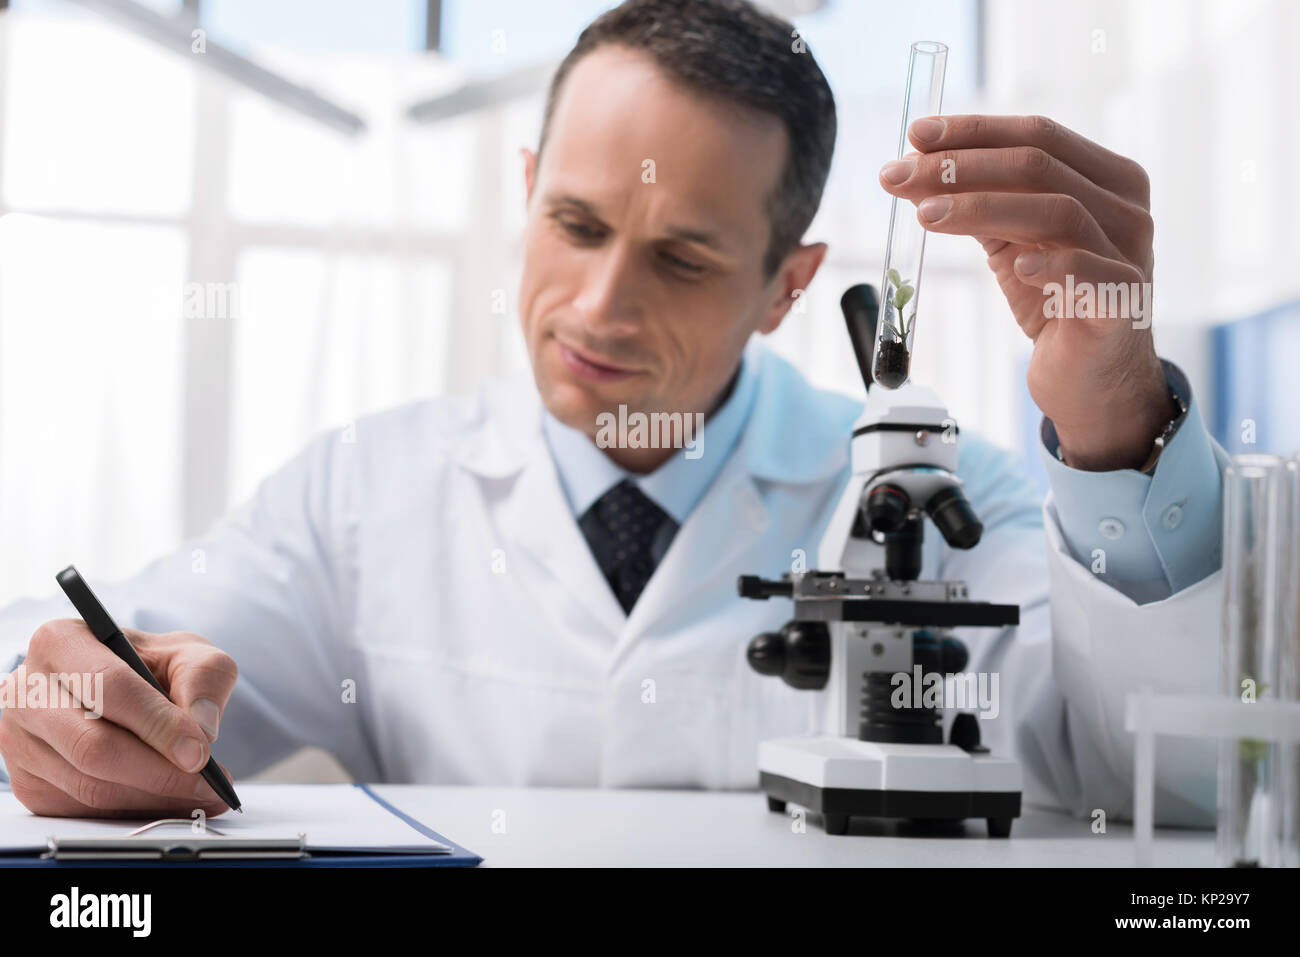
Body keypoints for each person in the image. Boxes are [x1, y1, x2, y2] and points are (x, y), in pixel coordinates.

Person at [0, 0, 1225, 825]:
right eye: (575, 226)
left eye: (684, 261)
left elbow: (1162, 776)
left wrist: (1118, 424)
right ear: (527, 192)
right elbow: (139, 667)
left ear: (786, 288)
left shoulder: (926, 496)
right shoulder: (359, 499)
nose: (599, 308)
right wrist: (66, 706)